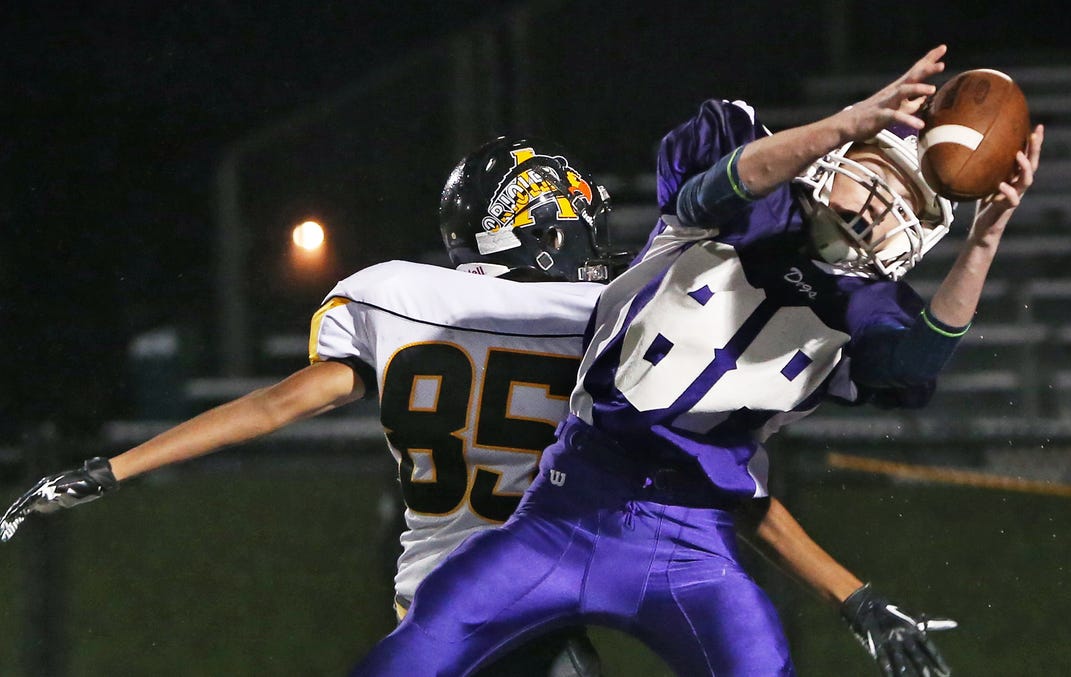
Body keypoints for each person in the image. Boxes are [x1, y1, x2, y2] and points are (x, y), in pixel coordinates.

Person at [0, 137, 912, 675]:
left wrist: (108, 468)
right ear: (550, 227)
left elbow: (275, 406)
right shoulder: (614, 317)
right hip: (548, 602)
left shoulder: (400, 298)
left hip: (436, 607)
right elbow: (717, 488)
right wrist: (850, 592)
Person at [349, 44, 1044, 677]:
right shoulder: (748, 203)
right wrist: (846, 121)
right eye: (869, 184)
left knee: (761, 666)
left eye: (898, 213)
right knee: (413, 655)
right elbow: (717, 186)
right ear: (835, 159)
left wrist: (985, 241)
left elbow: (916, 359)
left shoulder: (866, 310)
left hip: (687, 539)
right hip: (568, 502)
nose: (872, 215)